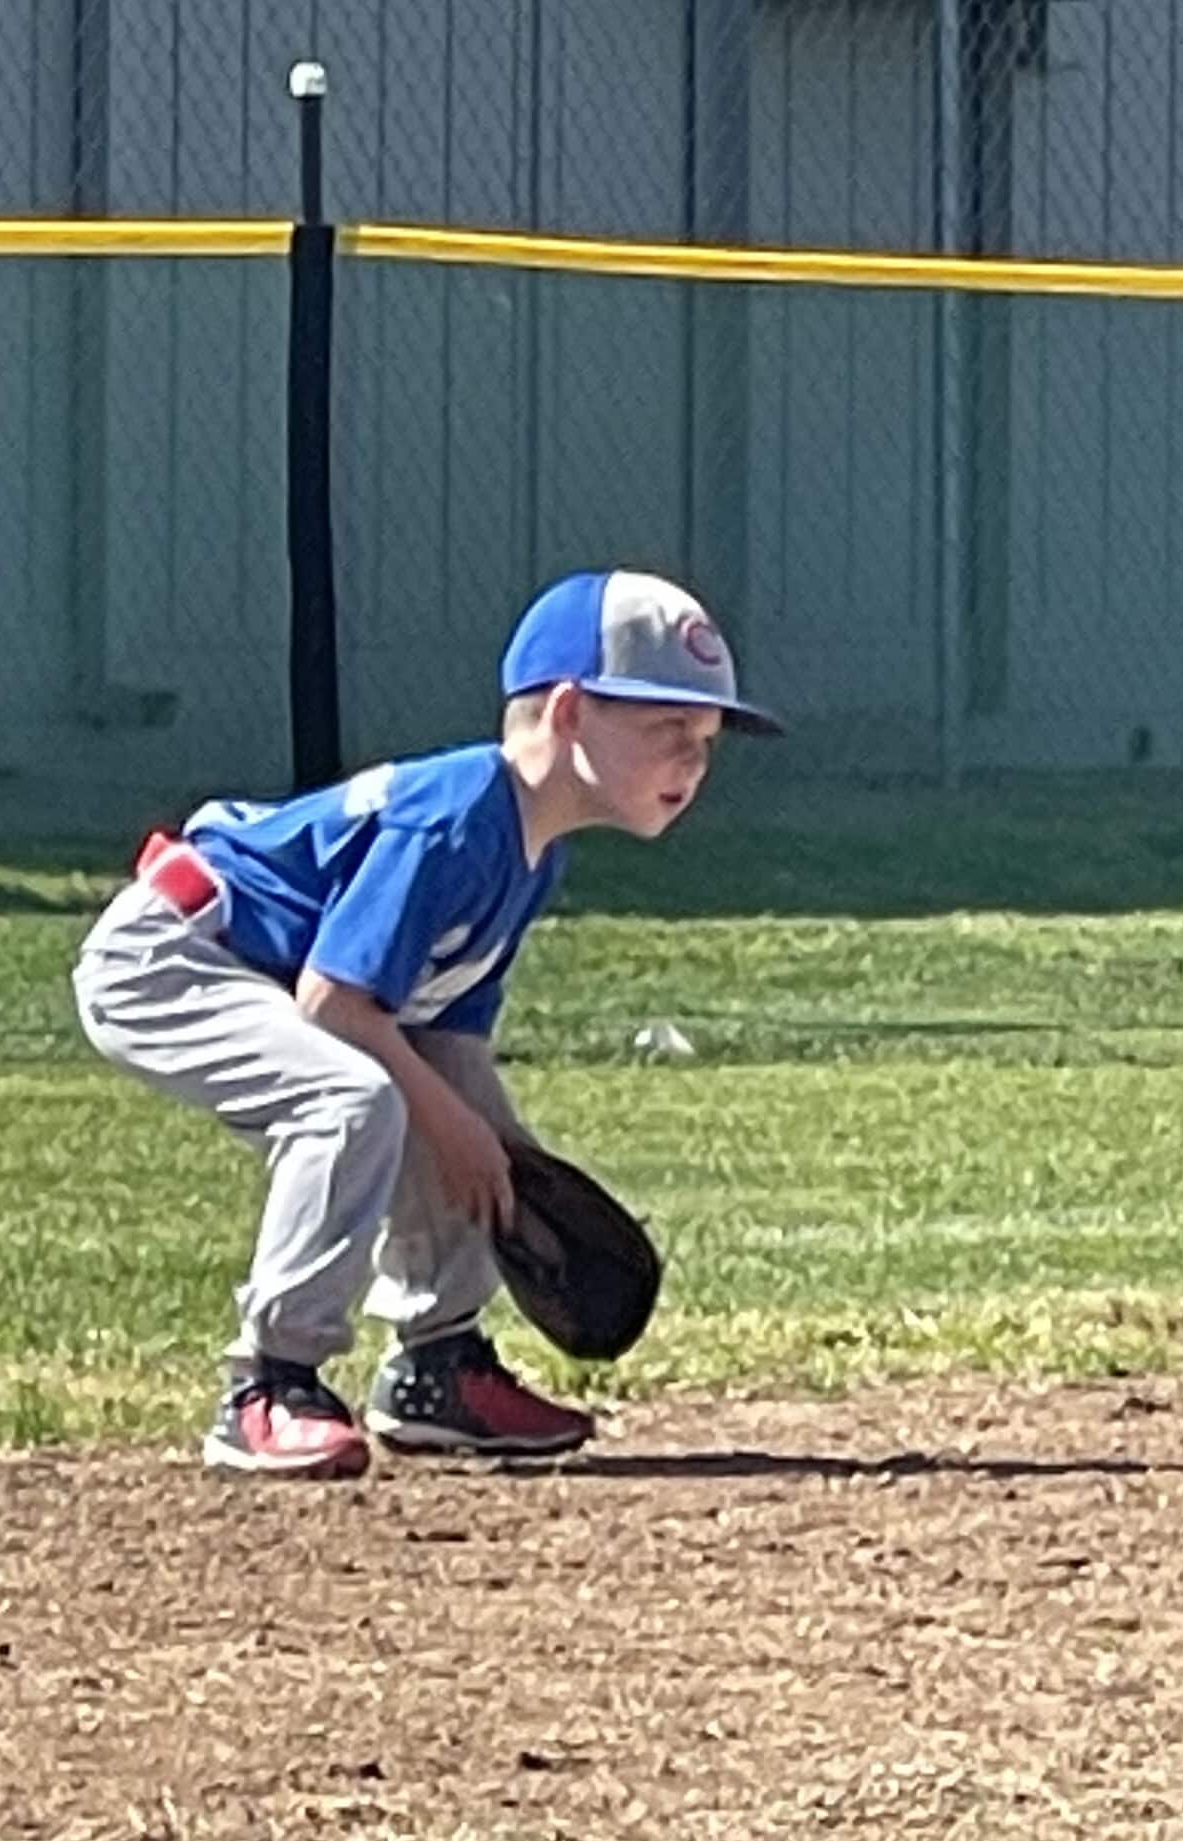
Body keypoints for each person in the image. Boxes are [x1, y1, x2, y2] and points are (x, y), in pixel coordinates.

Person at [72, 568, 778, 1480]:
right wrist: (456, 1129)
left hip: (254, 968)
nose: (694, 759)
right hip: (169, 959)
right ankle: (267, 1385)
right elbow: (334, 1001)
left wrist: (510, 1158)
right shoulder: (454, 820)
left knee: (447, 1109)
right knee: (353, 1098)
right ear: (567, 712)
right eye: (667, 729)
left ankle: (436, 1372)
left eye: (708, 739)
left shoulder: (529, 855)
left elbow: (446, 1044)